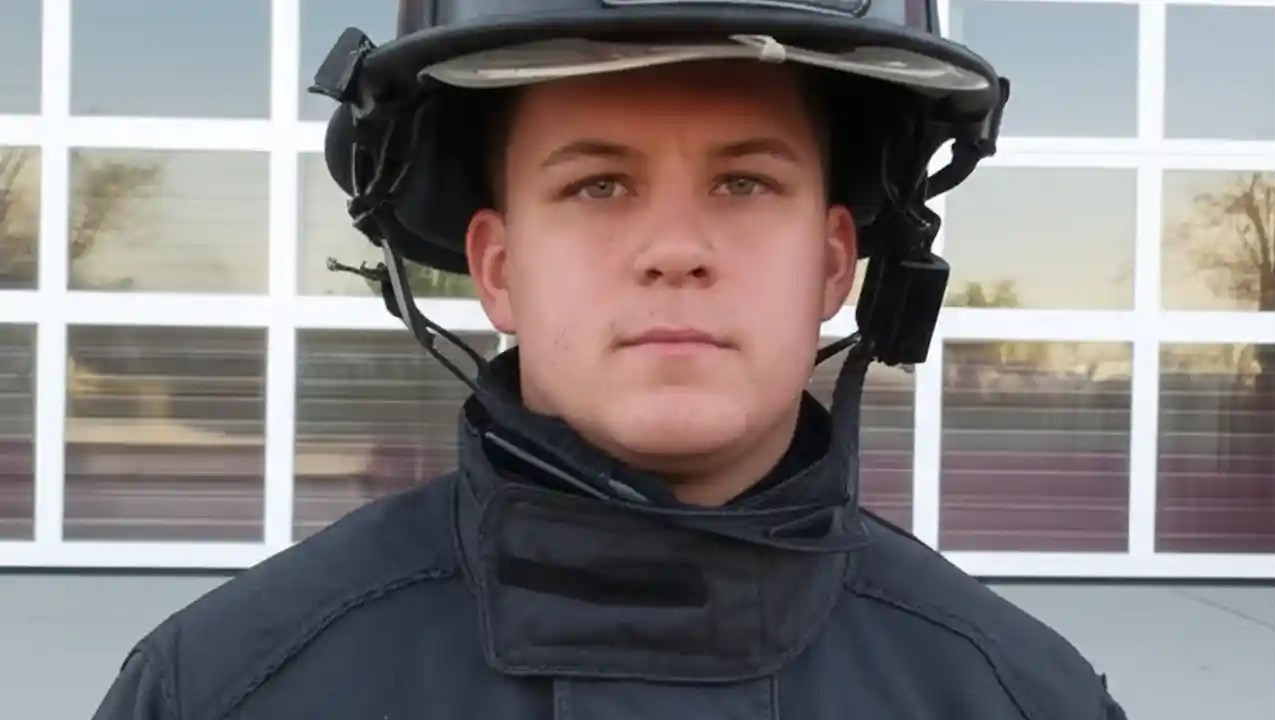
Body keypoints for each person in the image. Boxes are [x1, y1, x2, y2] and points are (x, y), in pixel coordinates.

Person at [93, 1, 1130, 718]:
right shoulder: (225, 690)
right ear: (496, 268)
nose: (674, 250)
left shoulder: (1017, 698)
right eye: (597, 185)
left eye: (743, 184)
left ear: (832, 265)